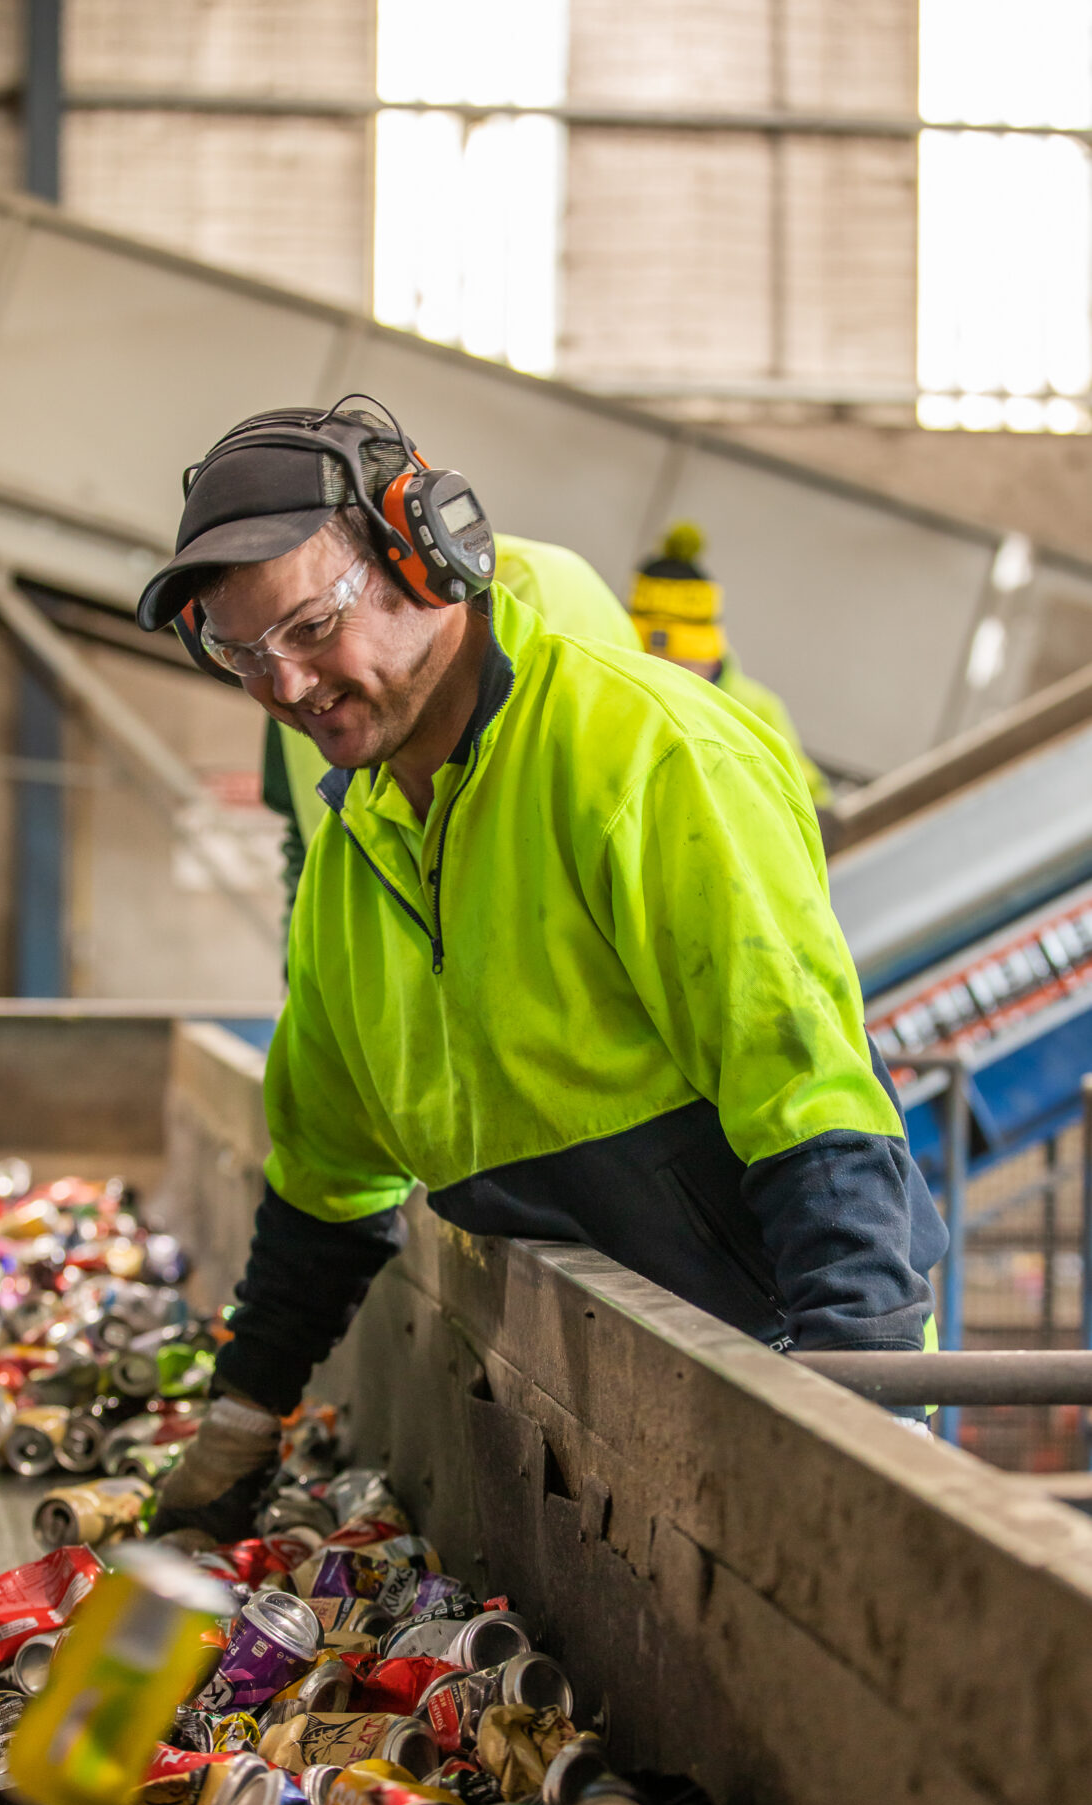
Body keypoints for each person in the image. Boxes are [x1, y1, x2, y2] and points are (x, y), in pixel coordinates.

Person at [136, 400, 945, 1531]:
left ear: (425, 557)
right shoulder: (352, 860)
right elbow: (327, 1183)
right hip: (594, 1419)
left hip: (766, 1364)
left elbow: (810, 1101)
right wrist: (241, 1416)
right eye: (244, 654)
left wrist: (865, 1412)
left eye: (313, 627)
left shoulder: (649, 758)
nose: (285, 687)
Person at [263, 530, 641, 906]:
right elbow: (301, 830)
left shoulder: (547, 590)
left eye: (314, 626)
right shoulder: (275, 654)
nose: (288, 688)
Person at [628, 523, 831, 809]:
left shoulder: (757, 709)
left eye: (679, 665)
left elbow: (808, 795)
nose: (665, 679)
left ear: (710, 657)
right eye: (648, 661)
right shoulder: (621, 692)